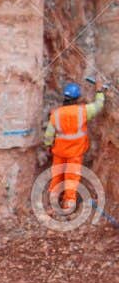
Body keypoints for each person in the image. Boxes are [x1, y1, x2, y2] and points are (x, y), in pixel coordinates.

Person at [44, 80, 107, 212]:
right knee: (71, 176)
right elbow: (98, 105)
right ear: (77, 98)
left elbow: (49, 134)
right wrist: (99, 91)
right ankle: (68, 204)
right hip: (75, 152)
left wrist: (48, 145)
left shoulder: (56, 114)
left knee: (57, 175)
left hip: (59, 151)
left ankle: (52, 201)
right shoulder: (83, 111)